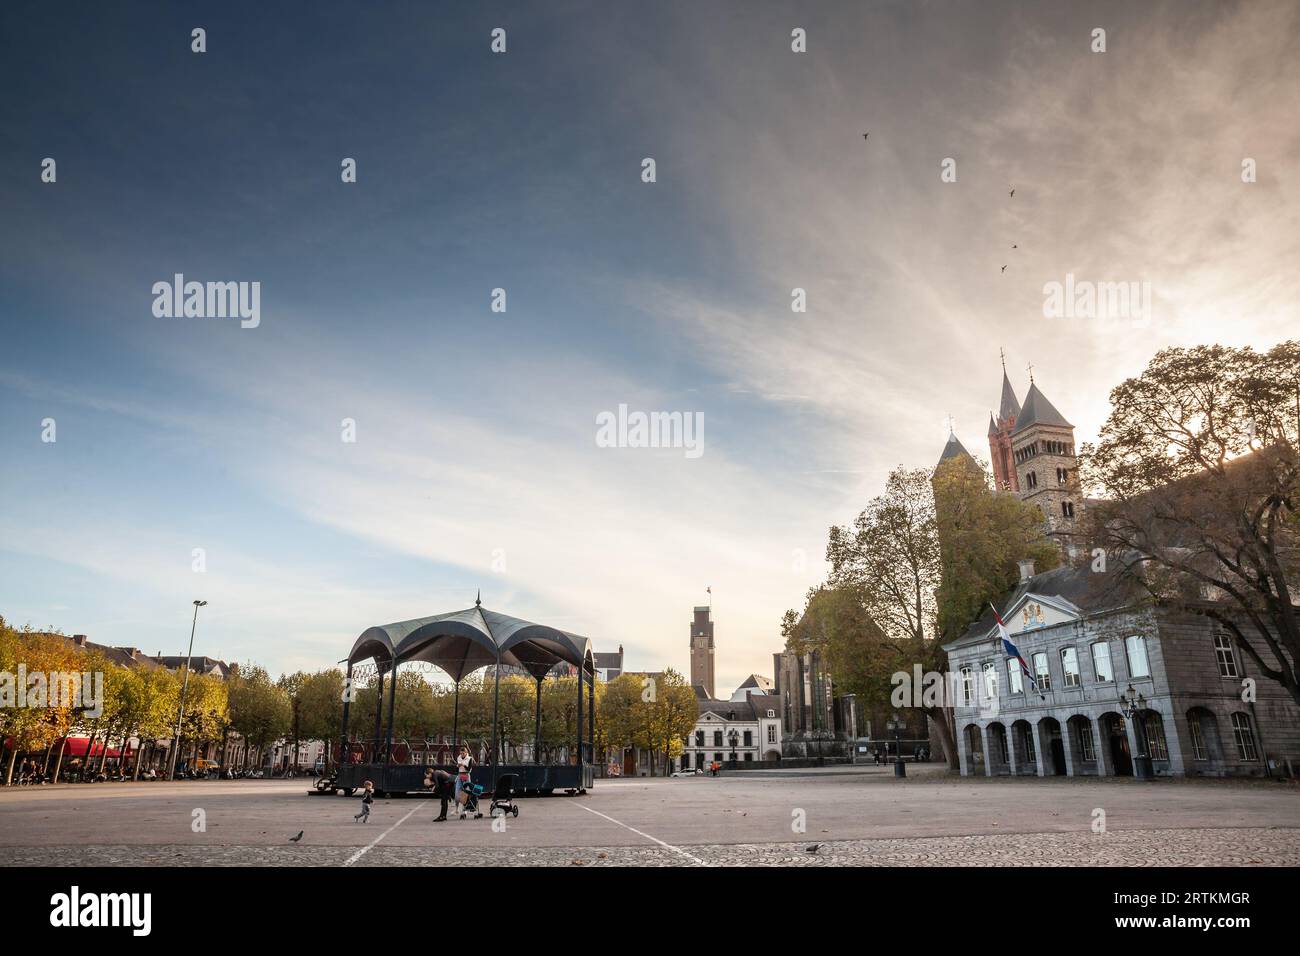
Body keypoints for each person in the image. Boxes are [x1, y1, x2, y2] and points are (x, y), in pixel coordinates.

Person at [454, 745, 475, 818]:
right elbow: (457, 768)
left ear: (466, 753)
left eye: (463, 753)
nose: (462, 755)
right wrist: (458, 766)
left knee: (465, 793)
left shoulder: (470, 759)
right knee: (457, 792)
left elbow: (469, 769)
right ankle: (456, 809)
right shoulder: (458, 757)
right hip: (460, 775)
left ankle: (464, 810)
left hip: (466, 775)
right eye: (461, 753)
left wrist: (463, 765)